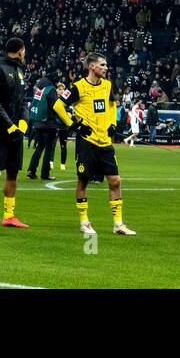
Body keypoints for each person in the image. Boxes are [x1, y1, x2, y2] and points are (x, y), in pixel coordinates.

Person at [0, 37, 45, 230]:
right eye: (25, 51)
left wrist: (23, 121)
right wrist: (8, 123)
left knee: (12, 172)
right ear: (20, 51)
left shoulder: (19, 71)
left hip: (14, 132)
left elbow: (23, 101)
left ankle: (9, 216)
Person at [71, 52, 136, 236]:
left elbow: (112, 104)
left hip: (105, 142)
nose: (106, 68)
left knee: (115, 181)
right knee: (83, 180)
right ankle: (84, 222)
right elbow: (59, 106)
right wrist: (75, 125)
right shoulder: (78, 87)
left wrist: (112, 123)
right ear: (92, 66)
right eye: (103, 64)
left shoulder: (107, 85)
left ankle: (118, 224)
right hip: (87, 141)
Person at [26, 68, 74, 180]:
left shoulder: (40, 88)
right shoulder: (51, 89)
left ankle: (31, 170)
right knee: (49, 148)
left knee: (39, 147)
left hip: (38, 122)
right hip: (49, 123)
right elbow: (55, 107)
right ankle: (45, 173)